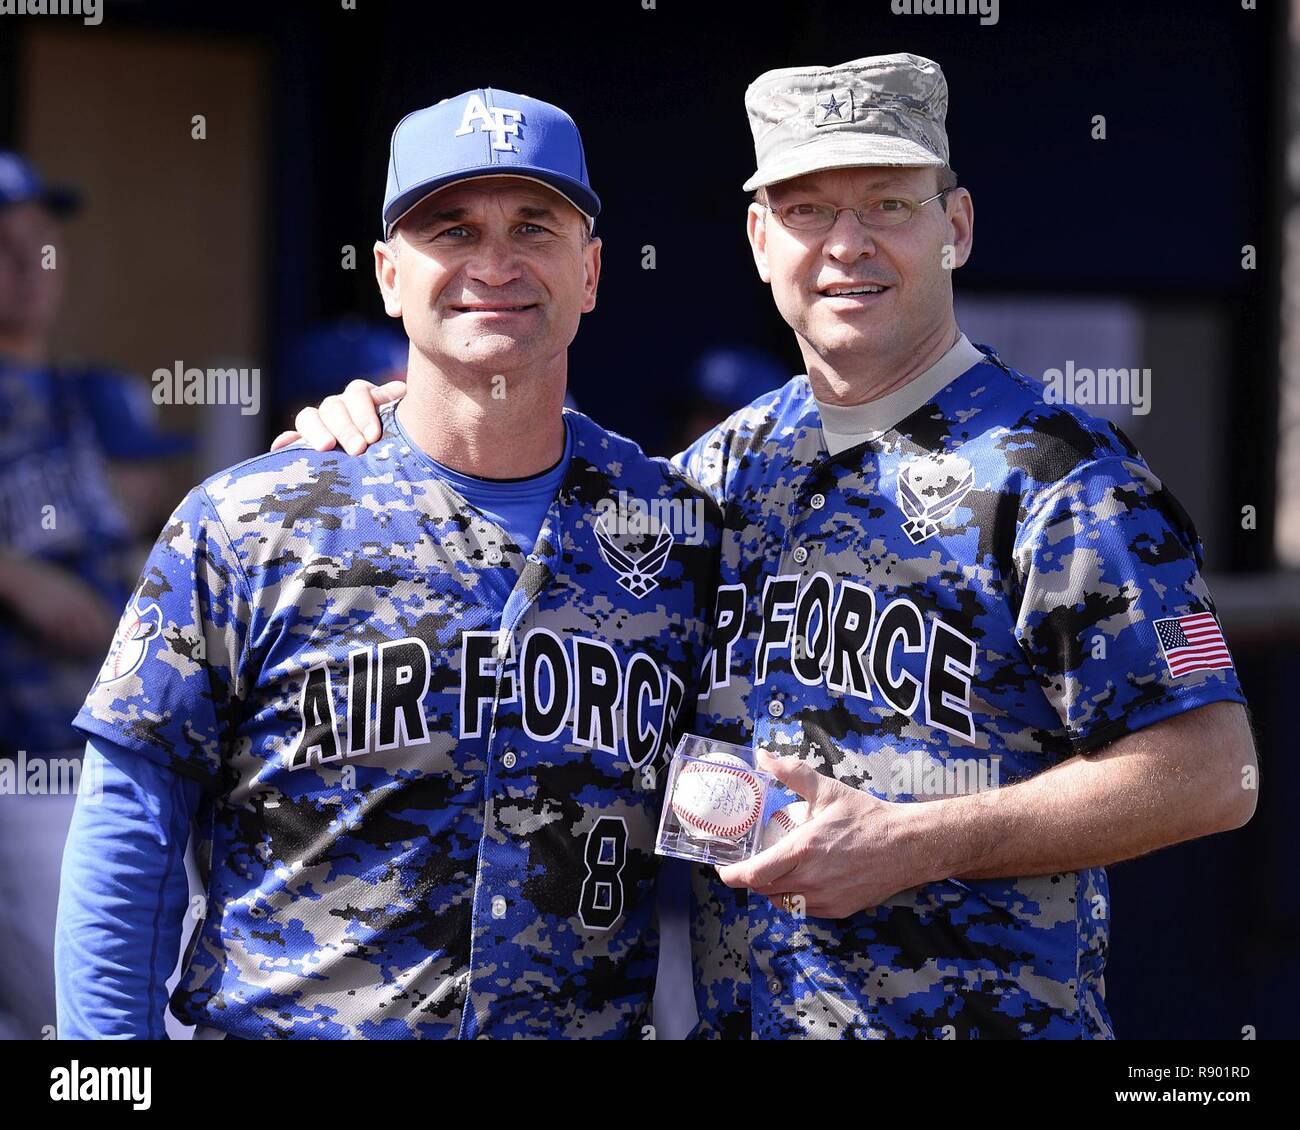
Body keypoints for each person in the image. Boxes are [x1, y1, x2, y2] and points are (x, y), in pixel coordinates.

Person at [282, 53, 1259, 1041]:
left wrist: (912, 841)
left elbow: (1214, 773)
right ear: (759, 239)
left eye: (886, 204)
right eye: (803, 210)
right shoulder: (717, 472)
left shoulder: (1060, 475)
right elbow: (529, 517)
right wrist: (387, 430)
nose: (845, 245)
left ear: (953, 227)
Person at [55, 87, 720, 1039]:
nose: (495, 264)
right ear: (387, 275)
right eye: (451, 229)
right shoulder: (252, 522)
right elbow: (132, 831)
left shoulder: (680, 531)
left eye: (534, 226)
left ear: (592, 272)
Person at [0, 152, 137, 1039]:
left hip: (102, 746)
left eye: (39, 245)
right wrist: (14, 573)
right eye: (3, 247)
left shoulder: (87, 393)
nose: (28, 268)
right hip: (19, 766)